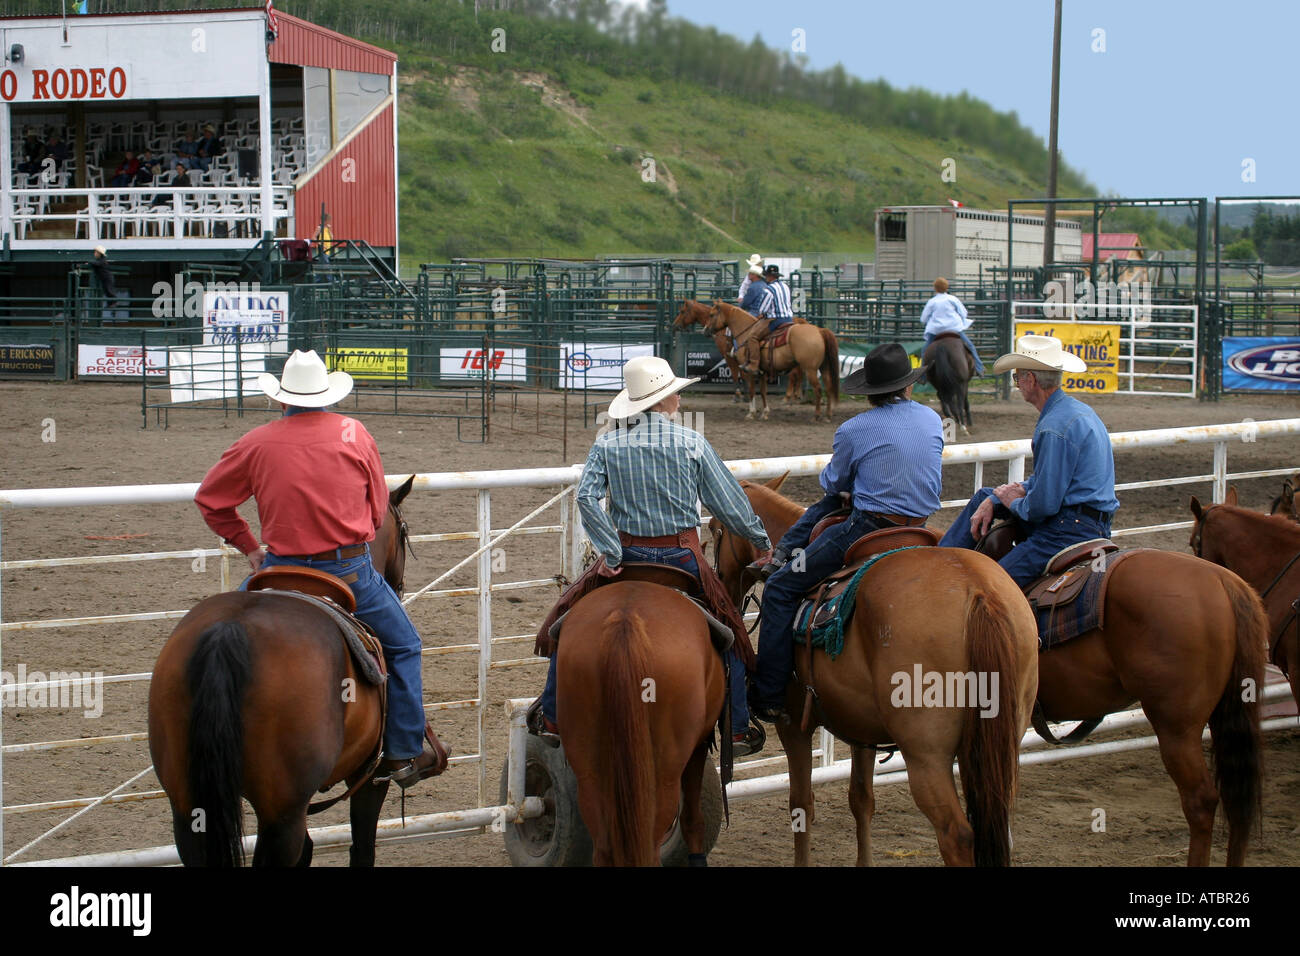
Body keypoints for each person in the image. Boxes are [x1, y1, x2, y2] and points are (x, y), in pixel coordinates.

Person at [193, 350, 449, 789]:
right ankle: (404, 752)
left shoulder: (254, 442)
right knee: (405, 645)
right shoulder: (354, 433)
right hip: (347, 573)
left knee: (220, 634)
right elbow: (374, 515)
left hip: (277, 572)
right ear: (327, 395)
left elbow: (211, 501)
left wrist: (251, 548)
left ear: (281, 400)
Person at [528, 356, 774, 756]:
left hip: (626, 557)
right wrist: (761, 542)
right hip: (681, 558)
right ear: (666, 400)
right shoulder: (692, 442)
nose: (678, 397)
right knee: (732, 633)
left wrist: (609, 551)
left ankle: (553, 717)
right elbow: (728, 504)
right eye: (675, 391)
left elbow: (587, 498)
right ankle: (739, 726)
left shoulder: (607, 442)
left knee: (564, 623)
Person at [748, 343, 944, 721]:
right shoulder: (932, 419)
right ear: (907, 386)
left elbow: (833, 481)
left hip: (867, 528)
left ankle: (769, 694)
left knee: (780, 589)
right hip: (920, 528)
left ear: (869, 391)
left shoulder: (854, 428)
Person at [937, 334, 1119, 587]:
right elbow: (1057, 479)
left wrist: (1016, 503)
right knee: (986, 496)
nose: (1018, 383)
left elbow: (1044, 505)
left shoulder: (1053, 427)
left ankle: (939, 571)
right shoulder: (1078, 412)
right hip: (1089, 520)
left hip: (1067, 530)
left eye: (1017, 377)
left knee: (993, 587)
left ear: (1030, 380)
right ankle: (939, 566)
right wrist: (1013, 492)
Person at [738, 264, 795, 375]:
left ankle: (754, 364)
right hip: (788, 318)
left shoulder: (768, 290)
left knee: (752, 337)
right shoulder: (786, 286)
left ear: (768, 276)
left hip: (775, 319)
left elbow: (763, 309)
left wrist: (761, 315)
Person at [921, 277, 985, 376]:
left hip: (936, 330)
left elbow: (923, 318)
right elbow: (964, 312)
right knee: (970, 346)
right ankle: (979, 368)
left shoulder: (932, 301)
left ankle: (923, 375)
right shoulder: (952, 299)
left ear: (935, 288)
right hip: (954, 329)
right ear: (946, 287)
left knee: (925, 351)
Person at [89, 246, 130, 320]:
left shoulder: (102, 260)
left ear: (99, 253)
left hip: (107, 278)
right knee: (106, 290)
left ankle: (114, 302)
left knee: (109, 290)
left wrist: (90, 262)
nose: (94, 253)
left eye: (96, 252)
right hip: (105, 278)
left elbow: (97, 264)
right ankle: (110, 303)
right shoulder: (101, 260)